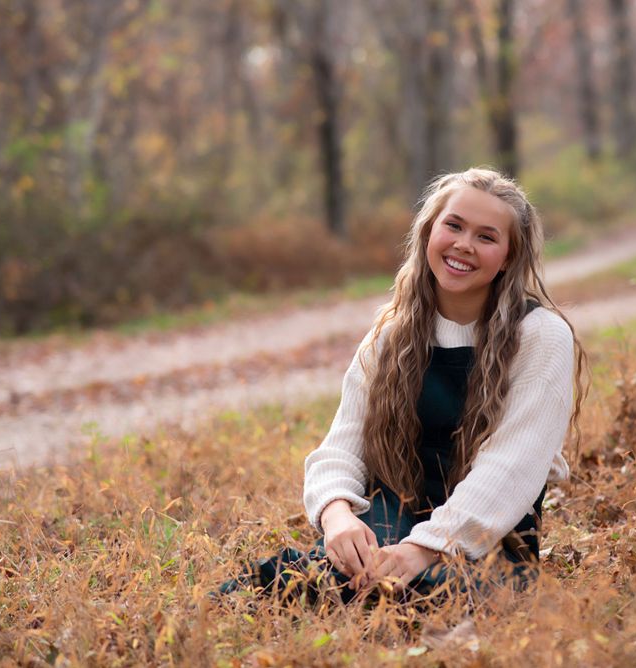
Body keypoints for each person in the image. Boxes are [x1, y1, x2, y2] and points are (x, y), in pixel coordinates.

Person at [218, 167, 586, 607]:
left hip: (485, 537)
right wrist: (337, 517)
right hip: (390, 516)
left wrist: (424, 548)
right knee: (325, 581)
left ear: (508, 255)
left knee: (430, 598)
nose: (463, 244)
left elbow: (510, 469)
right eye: (453, 225)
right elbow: (341, 447)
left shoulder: (541, 336)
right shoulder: (392, 333)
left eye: (487, 237)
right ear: (430, 231)